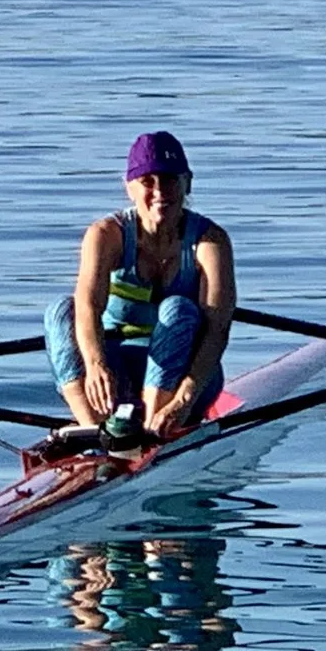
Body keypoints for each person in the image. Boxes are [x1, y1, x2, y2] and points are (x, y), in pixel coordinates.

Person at [42, 131, 235, 439]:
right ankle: (93, 430)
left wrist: (184, 400)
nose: (160, 191)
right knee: (62, 311)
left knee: (178, 309)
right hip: (115, 374)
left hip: (187, 379)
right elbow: (88, 306)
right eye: (148, 181)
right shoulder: (106, 235)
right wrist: (94, 365)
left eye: (171, 180)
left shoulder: (210, 241)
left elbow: (217, 330)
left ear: (188, 183)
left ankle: (152, 431)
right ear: (129, 187)